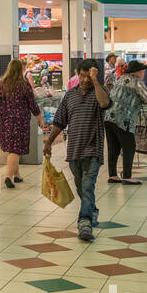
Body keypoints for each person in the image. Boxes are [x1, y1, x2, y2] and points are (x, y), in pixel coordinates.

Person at [42, 58, 111, 242]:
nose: (85, 80)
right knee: (82, 187)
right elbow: (59, 121)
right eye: (83, 76)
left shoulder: (100, 92)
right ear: (78, 74)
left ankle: (85, 223)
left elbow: (104, 104)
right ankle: (92, 210)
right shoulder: (70, 96)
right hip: (74, 150)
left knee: (88, 186)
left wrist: (96, 81)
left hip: (93, 149)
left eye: (89, 76)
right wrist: (48, 142)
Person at [0, 59, 47, 188]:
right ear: (20, 70)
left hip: (2, 121)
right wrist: (39, 118)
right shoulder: (24, 86)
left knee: (12, 148)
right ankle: (8, 176)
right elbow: (33, 104)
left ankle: (16, 175)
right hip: (20, 121)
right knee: (15, 148)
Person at [104, 60, 147, 185]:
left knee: (113, 147)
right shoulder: (136, 82)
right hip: (123, 119)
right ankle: (127, 176)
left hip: (109, 116)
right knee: (129, 146)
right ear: (137, 72)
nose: (144, 73)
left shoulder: (120, 78)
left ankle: (113, 175)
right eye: (142, 70)